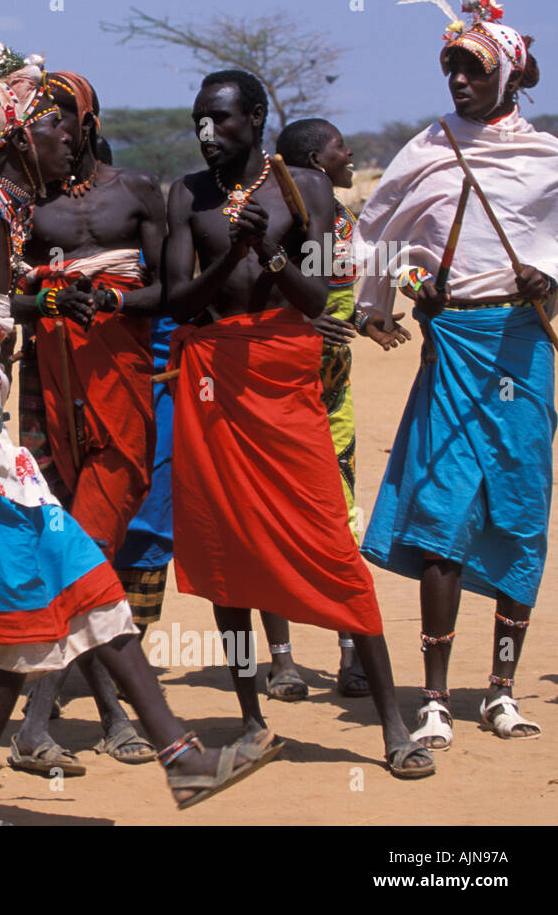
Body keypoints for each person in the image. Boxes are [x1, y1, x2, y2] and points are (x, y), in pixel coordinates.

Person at [0, 57, 280, 825]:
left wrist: (42, 302)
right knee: (69, 581)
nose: (66, 142)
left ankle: (152, 765)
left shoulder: (4, 208)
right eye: (50, 127)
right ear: (16, 138)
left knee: (72, 590)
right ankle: (174, 760)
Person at [164, 68, 433, 779]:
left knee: (328, 540)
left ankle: (392, 723)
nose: (207, 133)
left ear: (255, 119)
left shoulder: (305, 190)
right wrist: (229, 256)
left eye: (220, 120)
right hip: (212, 379)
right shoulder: (185, 196)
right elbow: (179, 304)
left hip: (286, 379)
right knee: (226, 556)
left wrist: (271, 253)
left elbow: (319, 296)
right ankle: (252, 719)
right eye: (199, 121)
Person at [355, 0, 557, 747]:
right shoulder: (429, 148)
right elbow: (381, 230)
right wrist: (407, 288)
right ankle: (435, 696)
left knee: (519, 509)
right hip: (455, 349)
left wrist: (554, 280)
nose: (461, 81)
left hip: (522, 348)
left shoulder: (546, 158)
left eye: (474, 68)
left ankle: (500, 691)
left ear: (507, 74)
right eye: (452, 69)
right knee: (444, 511)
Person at [10, 70, 166, 773]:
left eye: (60, 123)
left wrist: (109, 299)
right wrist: (45, 290)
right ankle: (106, 715)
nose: (51, 136)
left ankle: (35, 723)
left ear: (88, 123)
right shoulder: (23, 203)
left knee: (89, 542)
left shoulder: (136, 190)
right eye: (37, 126)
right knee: (70, 540)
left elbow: (169, 287)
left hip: (119, 375)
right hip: (50, 384)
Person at [256, 119, 376, 702]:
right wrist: (306, 322)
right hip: (276, 390)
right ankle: (282, 662)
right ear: (313, 160)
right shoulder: (285, 220)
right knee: (272, 520)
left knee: (340, 516)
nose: (349, 153)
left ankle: (351, 650)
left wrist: (365, 320)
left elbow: (346, 296)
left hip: (332, 393)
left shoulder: (344, 223)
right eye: (340, 147)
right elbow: (267, 291)